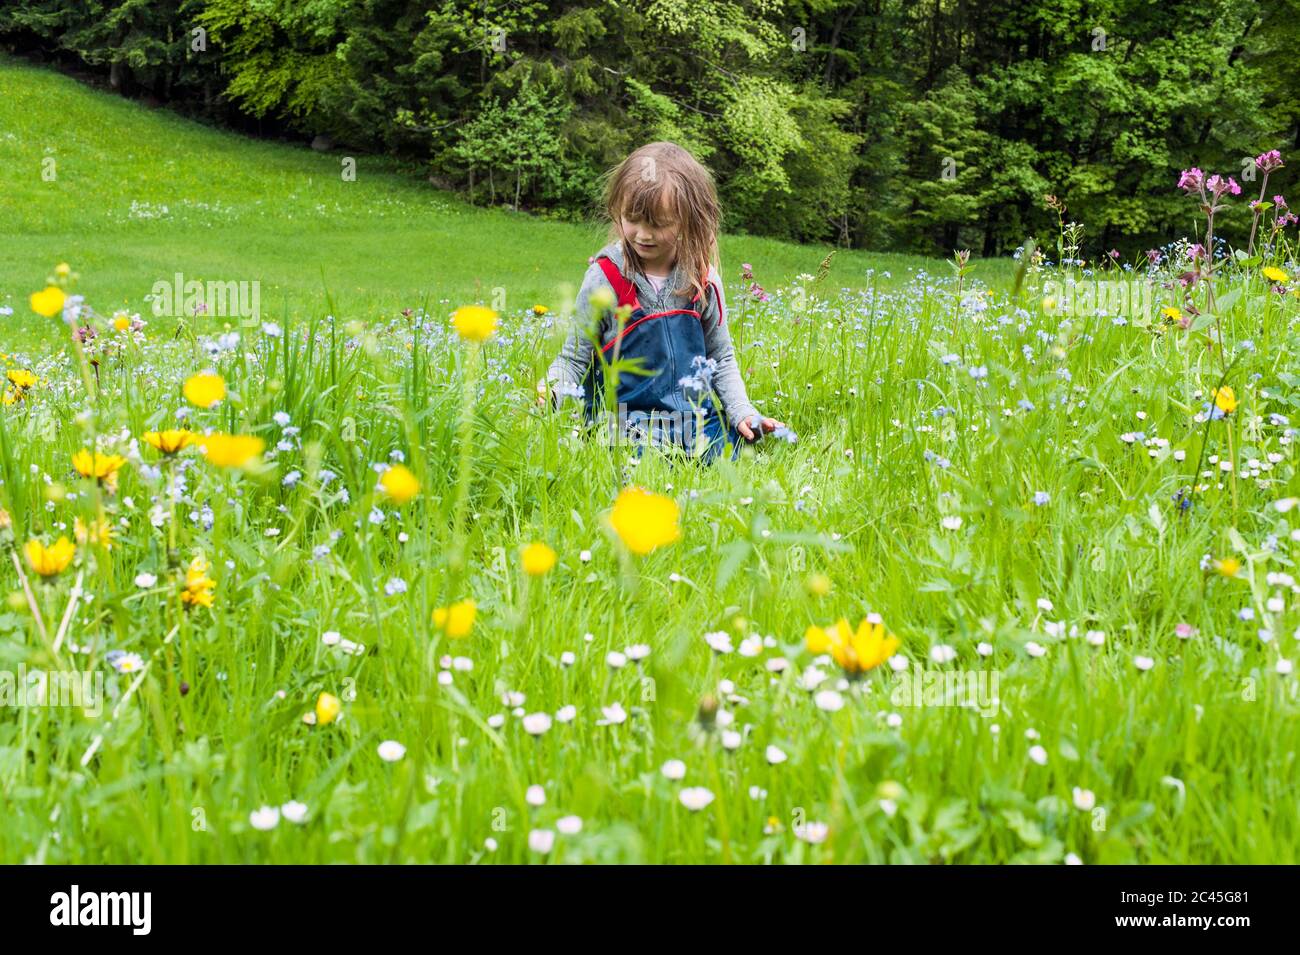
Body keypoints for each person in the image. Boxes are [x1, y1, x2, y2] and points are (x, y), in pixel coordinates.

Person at [543, 141, 786, 463]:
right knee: (641, 463)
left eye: (658, 224)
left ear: (688, 220)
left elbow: (721, 356)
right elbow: (573, 358)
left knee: (736, 456)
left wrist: (741, 410)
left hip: (692, 420)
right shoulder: (605, 278)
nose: (643, 234)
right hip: (625, 421)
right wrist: (552, 390)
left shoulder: (701, 278)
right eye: (632, 219)